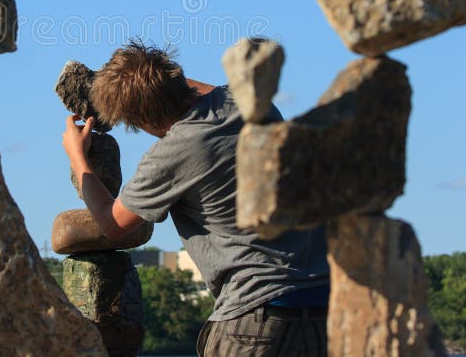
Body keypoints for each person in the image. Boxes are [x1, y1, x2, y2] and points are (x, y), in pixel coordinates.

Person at [62, 40, 329, 357]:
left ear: (140, 120)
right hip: (323, 308)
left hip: (255, 319)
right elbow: (191, 87)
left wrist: (78, 156)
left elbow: (112, 224)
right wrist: (137, 75)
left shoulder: (174, 152)